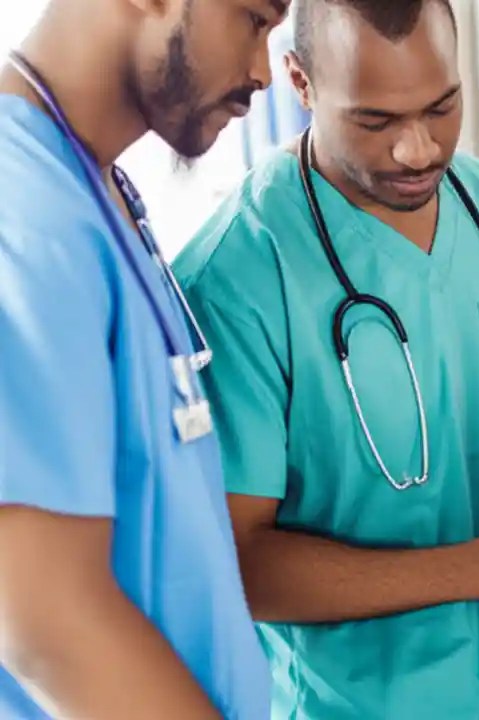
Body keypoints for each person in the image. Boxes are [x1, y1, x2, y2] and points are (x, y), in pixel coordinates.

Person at [173, 1, 479, 718]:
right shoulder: (237, 273)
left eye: (442, 107)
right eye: (375, 121)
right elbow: (237, 564)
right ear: (299, 81)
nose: (418, 150)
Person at [0, 0, 286, 718]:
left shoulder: (95, 191)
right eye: (255, 19)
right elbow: (40, 619)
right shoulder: (22, 211)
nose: (262, 72)